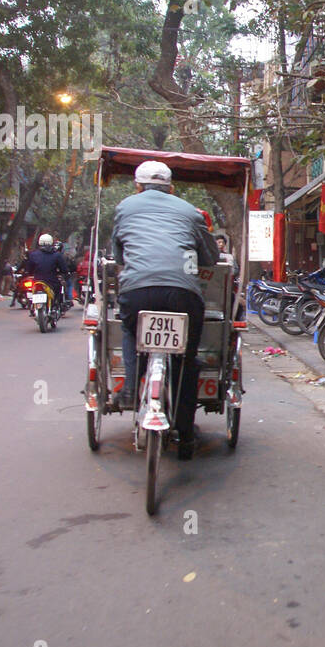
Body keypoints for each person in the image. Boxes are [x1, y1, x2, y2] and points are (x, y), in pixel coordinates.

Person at [112, 160, 220, 460]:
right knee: (186, 360)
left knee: (130, 330)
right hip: (182, 294)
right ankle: (185, 433)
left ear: (137, 186)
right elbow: (210, 257)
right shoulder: (189, 212)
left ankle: (132, 387)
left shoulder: (124, 207)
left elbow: (117, 254)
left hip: (137, 293)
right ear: (171, 188)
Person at [21, 234, 73, 311]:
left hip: (37, 281)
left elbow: (29, 269)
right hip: (52, 282)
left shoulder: (33, 255)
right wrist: (65, 273)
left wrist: (29, 273)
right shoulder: (57, 255)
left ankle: (33, 306)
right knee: (59, 290)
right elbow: (64, 269)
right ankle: (56, 306)